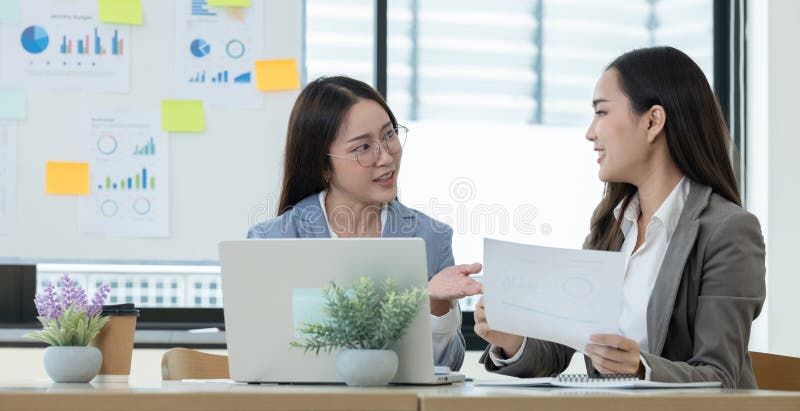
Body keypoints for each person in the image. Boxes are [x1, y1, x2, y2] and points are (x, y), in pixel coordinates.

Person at [474, 46, 766, 388]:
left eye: (601, 112)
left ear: (653, 121)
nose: (590, 132)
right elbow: (559, 347)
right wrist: (511, 339)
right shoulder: (610, 229)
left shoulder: (728, 231)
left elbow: (720, 377)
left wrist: (642, 369)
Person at [247, 75, 482, 371]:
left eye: (388, 135)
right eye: (363, 148)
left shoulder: (430, 237)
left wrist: (434, 303)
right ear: (323, 165)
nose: (386, 157)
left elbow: (446, 366)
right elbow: (263, 358)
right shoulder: (272, 241)